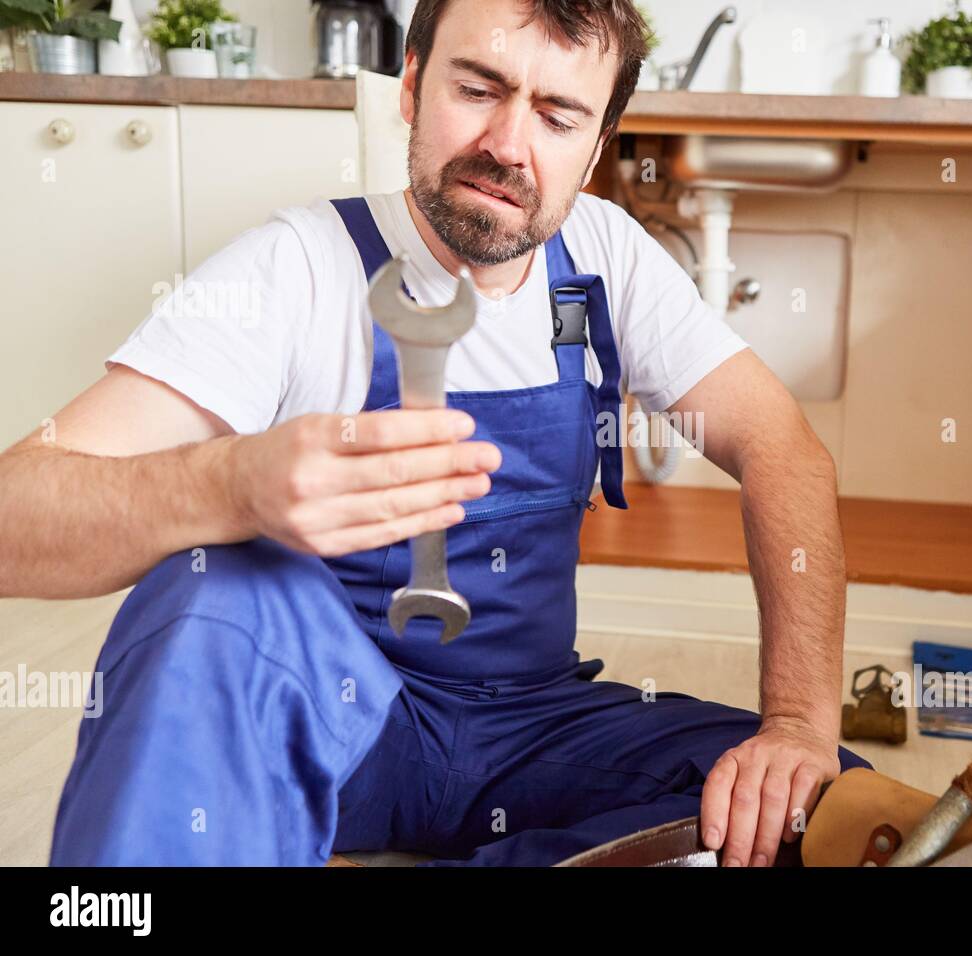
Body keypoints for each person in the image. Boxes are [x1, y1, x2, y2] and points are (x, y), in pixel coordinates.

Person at [0, 0, 870, 867]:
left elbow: (782, 450)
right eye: (478, 87)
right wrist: (227, 483)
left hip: (535, 728)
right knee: (209, 591)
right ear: (411, 85)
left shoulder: (609, 260)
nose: (508, 143)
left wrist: (797, 723)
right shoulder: (297, 267)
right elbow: (15, 513)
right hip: (335, 726)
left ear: (595, 148)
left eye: (558, 116)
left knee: (820, 807)